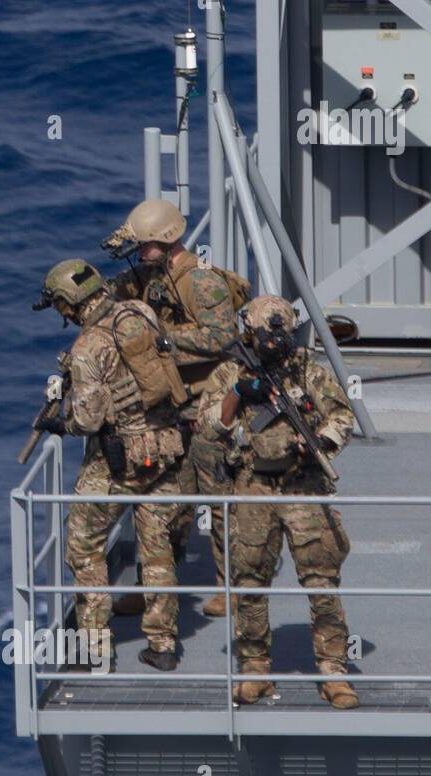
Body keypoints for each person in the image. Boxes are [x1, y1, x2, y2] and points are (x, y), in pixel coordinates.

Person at [199, 295, 360, 710]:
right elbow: (210, 426)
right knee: (249, 582)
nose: (274, 342)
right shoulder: (231, 371)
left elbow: (342, 415)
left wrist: (319, 443)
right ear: (249, 333)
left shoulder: (306, 368)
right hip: (252, 485)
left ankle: (333, 670)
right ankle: (255, 671)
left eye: (280, 333)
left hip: (301, 483)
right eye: (265, 334)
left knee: (321, 581)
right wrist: (239, 391)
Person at [33, 259, 187, 671]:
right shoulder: (140, 312)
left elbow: (89, 420)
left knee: (83, 549)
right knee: (157, 551)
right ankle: (163, 644)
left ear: (68, 303)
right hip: (166, 448)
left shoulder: (87, 349)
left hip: (119, 463)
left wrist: (59, 424)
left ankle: (95, 648)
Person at [104, 198, 249, 616]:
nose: (141, 253)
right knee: (166, 500)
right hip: (173, 404)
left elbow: (221, 337)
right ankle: (153, 586)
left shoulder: (201, 283)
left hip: (208, 402)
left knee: (220, 498)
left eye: (145, 245)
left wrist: (163, 338)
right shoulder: (152, 277)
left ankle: (232, 587)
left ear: (166, 241)